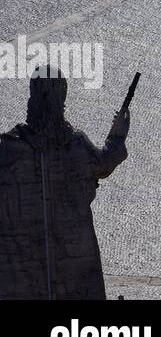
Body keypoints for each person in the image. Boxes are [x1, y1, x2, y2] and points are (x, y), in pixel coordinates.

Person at [0, 67, 131, 299]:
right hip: (73, 270)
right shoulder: (76, 146)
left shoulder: (8, 149)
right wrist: (117, 136)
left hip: (21, 270)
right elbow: (103, 164)